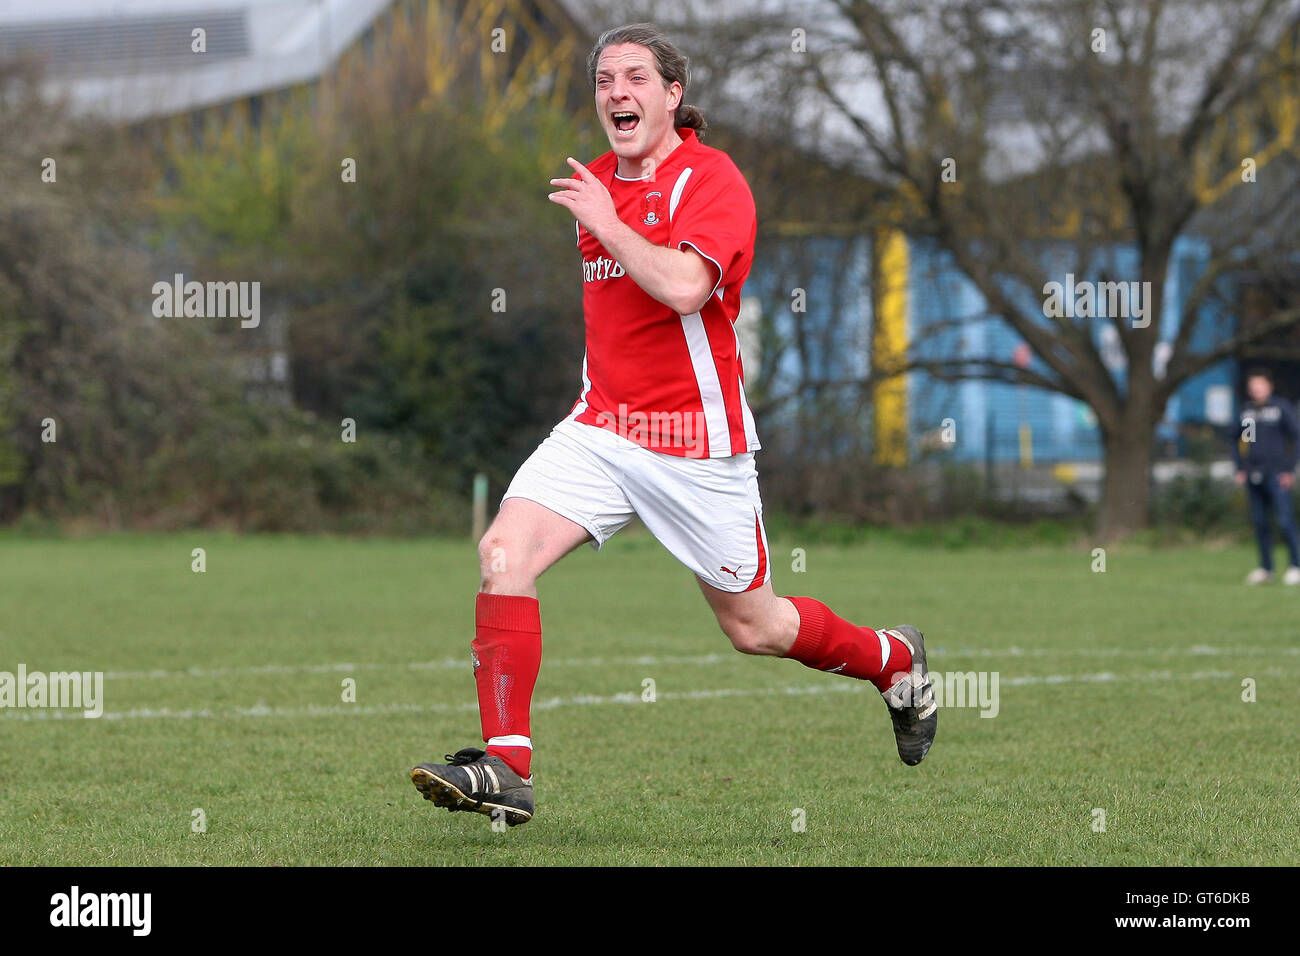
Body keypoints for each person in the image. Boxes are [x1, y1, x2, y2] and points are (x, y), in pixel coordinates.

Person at [410, 23, 936, 827]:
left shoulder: (712, 179)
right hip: (602, 429)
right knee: (501, 554)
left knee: (756, 629)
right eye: (604, 81)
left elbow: (688, 287)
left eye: (634, 78)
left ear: (672, 94)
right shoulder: (595, 187)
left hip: (695, 443)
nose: (617, 92)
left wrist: (611, 221)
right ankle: (506, 767)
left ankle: (894, 660)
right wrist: (604, 211)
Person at [1232, 368, 1300, 585]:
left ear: (1269, 386)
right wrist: (1241, 467)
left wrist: (1289, 469)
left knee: (1284, 520)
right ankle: (1266, 568)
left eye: (1260, 385)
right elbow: (1244, 441)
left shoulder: (1280, 409)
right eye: (1253, 386)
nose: (1256, 389)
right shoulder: (1247, 412)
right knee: (1260, 523)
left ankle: (1295, 565)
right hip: (1254, 476)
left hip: (1277, 475)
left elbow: (1296, 438)